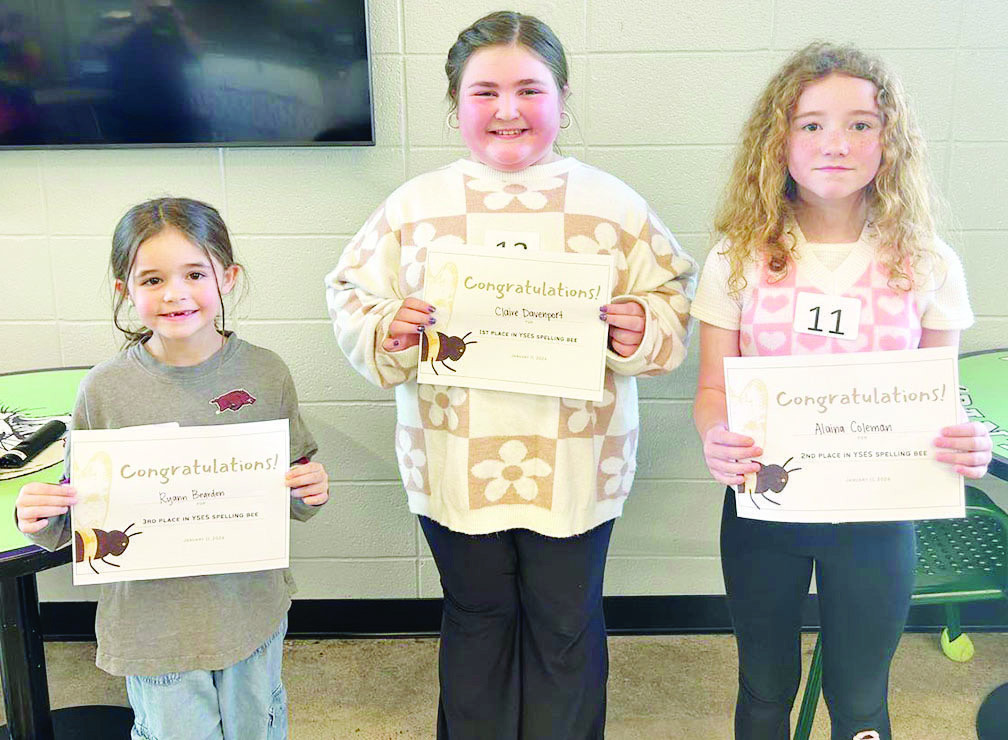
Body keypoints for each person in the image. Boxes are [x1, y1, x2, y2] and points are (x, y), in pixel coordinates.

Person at [326, 10, 696, 738]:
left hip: (577, 456)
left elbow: (675, 294)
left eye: (529, 89)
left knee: (565, 617)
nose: (507, 110)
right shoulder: (415, 208)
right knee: (477, 613)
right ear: (455, 104)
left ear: (561, 96)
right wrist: (387, 328)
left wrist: (639, 325)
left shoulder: (613, 205)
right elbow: (351, 294)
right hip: (454, 453)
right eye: (484, 92)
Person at [690, 43, 992, 740]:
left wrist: (962, 441)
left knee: (860, 697)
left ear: (891, 141)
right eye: (812, 124)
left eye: (861, 124)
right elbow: (712, 389)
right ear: (779, 141)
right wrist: (715, 435)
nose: (837, 143)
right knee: (764, 688)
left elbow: (940, 399)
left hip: (878, 522)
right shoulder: (737, 259)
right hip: (766, 512)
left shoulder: (927, 262)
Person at [15, 197, 329, 740]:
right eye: (153, 279)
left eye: (194, 273)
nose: (176, 293)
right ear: (125, 291)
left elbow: (291, 490)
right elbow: (80, 522)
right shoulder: (105, 391)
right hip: (152, 627)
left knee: (259, 727)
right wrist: (39, 518)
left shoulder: (265, 372)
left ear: (227, 278)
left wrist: (309, 490)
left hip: (248, 610)